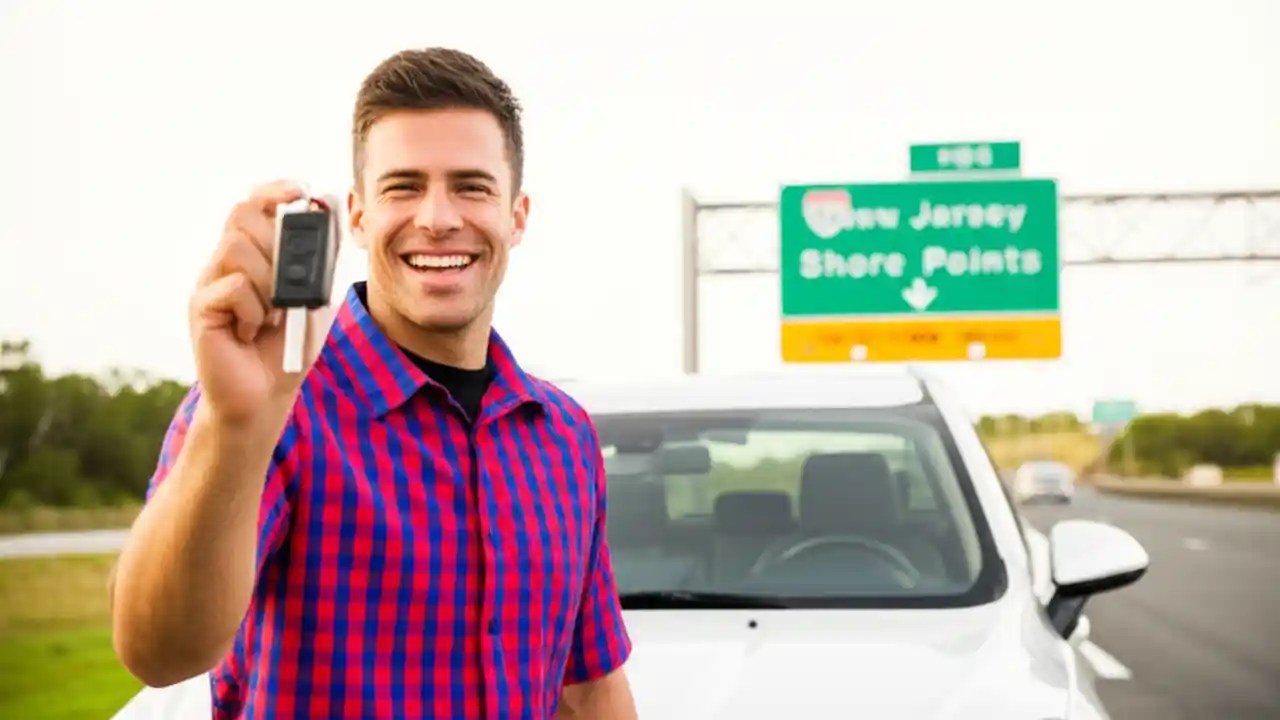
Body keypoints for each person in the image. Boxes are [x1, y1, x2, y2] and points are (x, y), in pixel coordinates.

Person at [108, 47, 636, 720]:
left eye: (471, 186)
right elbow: (158, 653)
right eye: (404, 186)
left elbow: (588, 688)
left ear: (517, 217)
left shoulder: (564, 437)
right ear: (356, 217)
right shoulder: (273, 405)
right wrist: (235, 423)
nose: (438, 217)